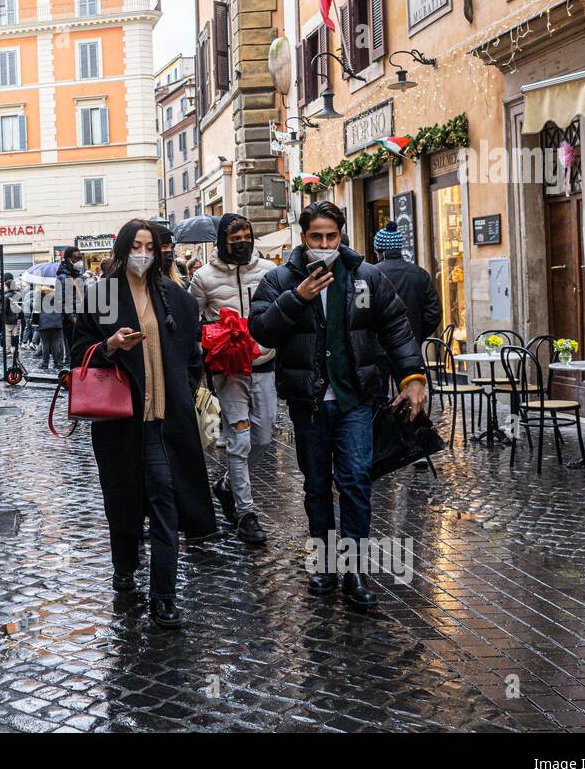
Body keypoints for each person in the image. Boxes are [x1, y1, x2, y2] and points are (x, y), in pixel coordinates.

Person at [248, 201, 428, 611]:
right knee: (315, 486)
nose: (325, 244)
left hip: (356, 399)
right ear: (304, 237)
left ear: (342, 234)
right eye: (316, 237)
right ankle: (324, 564)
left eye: (331, 236)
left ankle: (355, 570)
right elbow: (261, 331)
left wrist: (412, 377)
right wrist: (297, 298)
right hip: (307, 401)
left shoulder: (367, 276)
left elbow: (396, 327)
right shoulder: (278, 280)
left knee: (355, 481)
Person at [71, 219, 218, 629]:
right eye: (135, 245)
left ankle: (164, 597)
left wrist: (185, 389)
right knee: (123, 497)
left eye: (149, 246)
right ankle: (123, 565)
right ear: (122, 249)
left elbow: (193, 353)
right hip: (119, 419)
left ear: (158, 251)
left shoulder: (175, 296)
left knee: (164, 499)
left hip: (165, 422)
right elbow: (78, 352)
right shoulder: (99, 297)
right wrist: (109, 346)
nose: (143, 253)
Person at [189, 213, 274, 546]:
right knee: (239, 441)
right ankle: (246, 514)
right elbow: (192, 322)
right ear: (222, 240)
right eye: (234, 238)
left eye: (247, 236)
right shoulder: (203, 278)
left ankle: (226, 485)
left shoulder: (269, 272)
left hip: (264, 363)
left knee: (263, 437)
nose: (242, 243)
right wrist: (211, 340)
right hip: (228, 371)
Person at [371, 220, 442, 391]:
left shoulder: (372, 274)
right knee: (410, 396)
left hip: (378, 348)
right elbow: (434, 313)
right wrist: (416, 334)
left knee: (377, 398)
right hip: (409, 347)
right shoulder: (420, 274)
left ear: (378, 250)